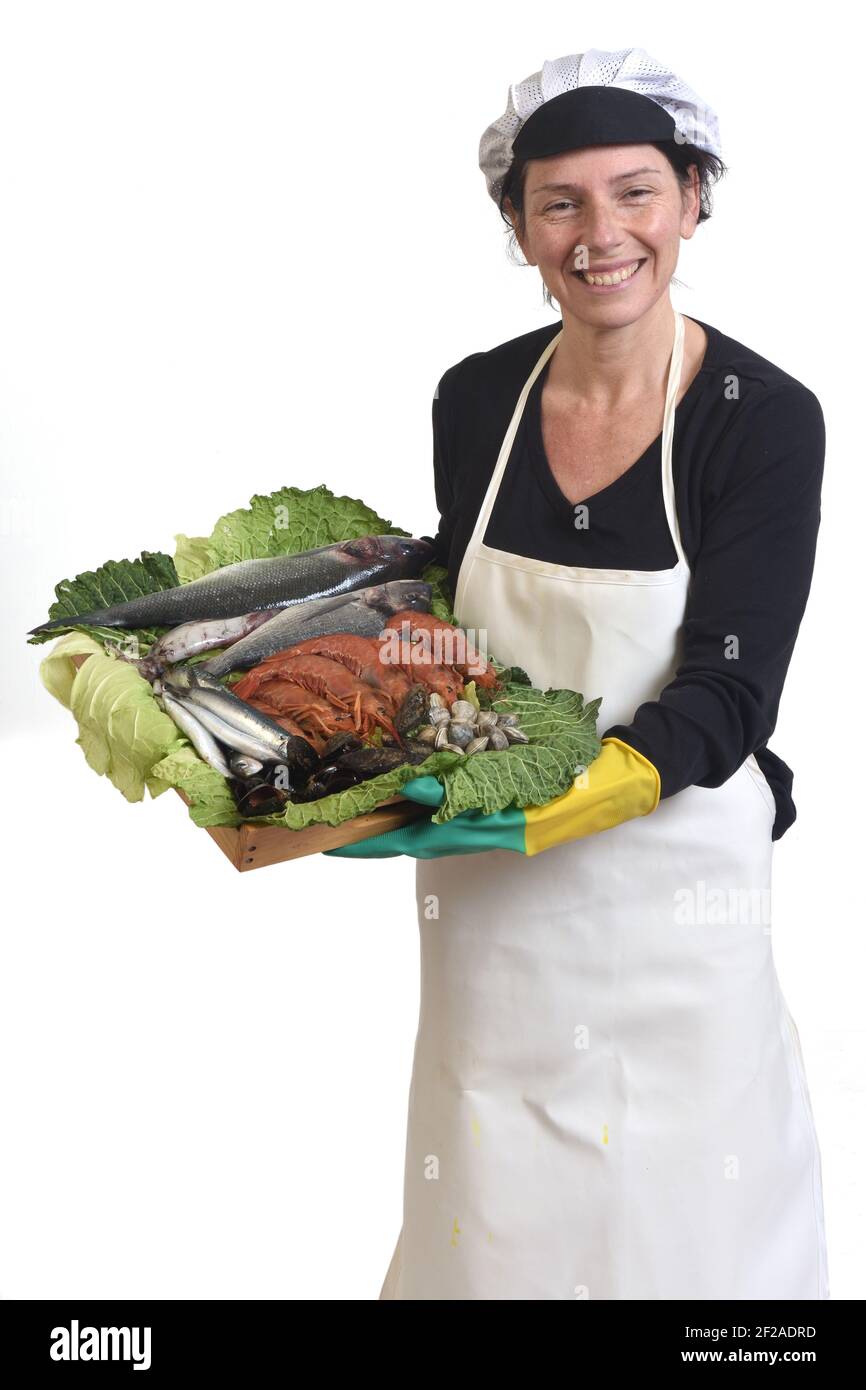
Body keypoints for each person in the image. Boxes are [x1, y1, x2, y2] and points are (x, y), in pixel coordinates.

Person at [327, 47, 830, 1301]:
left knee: (686, 1211)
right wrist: (335, 695)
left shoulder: (757, 414)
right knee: (487, 1192)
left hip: (677, 892)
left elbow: (729, 687)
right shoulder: (476, 397)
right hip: (493, 902)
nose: (599, 234)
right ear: (516, 224)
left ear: (693, 197)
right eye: (559, 203)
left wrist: (561, 797)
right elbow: (463, 628)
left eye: (634, 192)